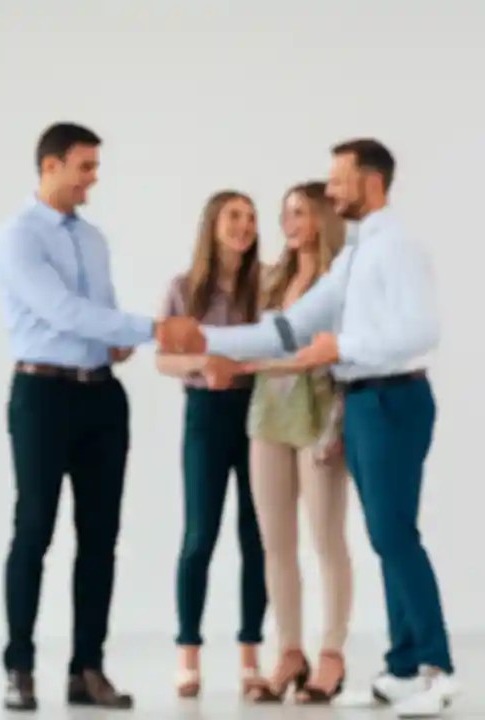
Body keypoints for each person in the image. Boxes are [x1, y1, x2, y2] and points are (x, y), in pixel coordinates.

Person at [173, 138, 459, 718]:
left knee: (395, 536)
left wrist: (344, 345)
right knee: (384, 536)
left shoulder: (397, 247)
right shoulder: (354, 257)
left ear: (370, 183)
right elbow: (289, 327)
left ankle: (437, 669)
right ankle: (402, 667)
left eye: (338, 181)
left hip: (393, 400)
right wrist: (207, 341)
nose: (329, 191)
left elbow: (423, 333)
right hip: (363, 401)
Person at [0, 121, 203, 712]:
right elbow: (61, 311)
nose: (93, 179)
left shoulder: (94, 239)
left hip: (101, 397)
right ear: (51, 165)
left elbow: (97, 315)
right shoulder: (19, 237)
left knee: (101, 539)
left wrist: (120, 341)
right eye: (85, 167)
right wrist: (152, 328)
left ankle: (88, 669)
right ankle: (19, 668)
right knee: (34, 529)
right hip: (43, 396)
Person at [154, 190, 269, 700]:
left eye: (250, 218)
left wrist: (240, 366)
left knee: (256, 536)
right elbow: (162, 358)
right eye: (234, 216)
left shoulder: (265, 287)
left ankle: (250, 658)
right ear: (213, 224)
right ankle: (188, 653)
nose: (244, 226)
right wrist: (202, 364)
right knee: (199, 535)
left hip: (258, 415)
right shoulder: (184, 289)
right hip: (205, 415)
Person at [244, 181, 353, 704]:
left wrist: (336, 427)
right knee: (275, 544)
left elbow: (346, 360)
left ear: (322, 220)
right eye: (284, 212)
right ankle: (289, 650)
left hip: (318, 414)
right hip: (268, 415)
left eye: (300, 212)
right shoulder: (271, 279)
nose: (288, 223)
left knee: (326, 539)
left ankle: (331, 653)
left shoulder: (341, 279)